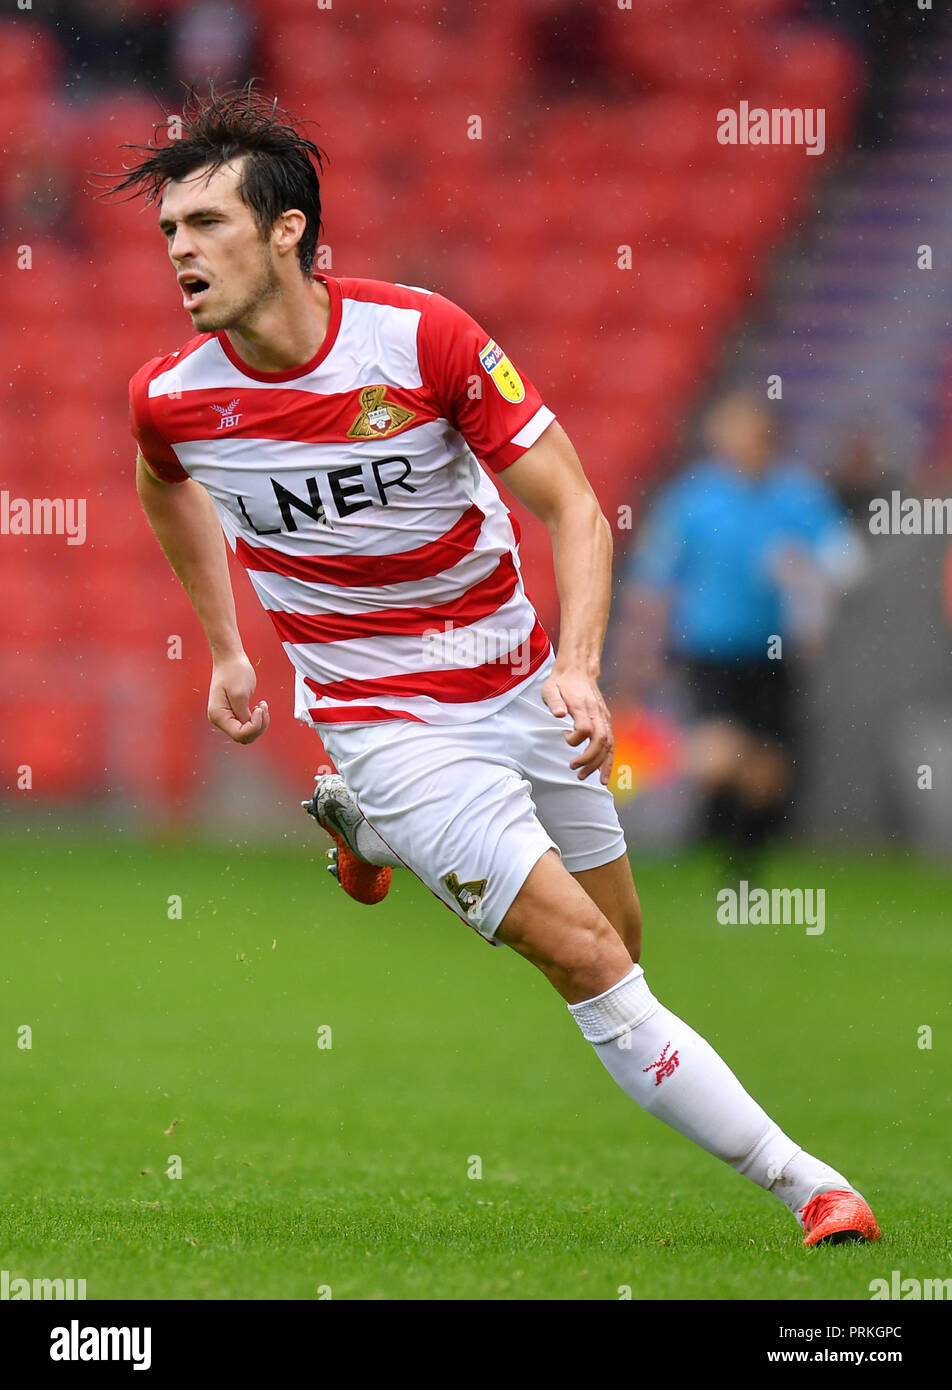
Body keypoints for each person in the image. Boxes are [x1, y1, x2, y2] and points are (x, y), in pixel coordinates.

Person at [113, 83, 880, 1248]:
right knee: (580, 958)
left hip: (520, 681)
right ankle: (808, 1183)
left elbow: (573, 502)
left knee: (622, 942)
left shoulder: (421, 340)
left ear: (287, 232)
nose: (181, 250)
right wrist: (226, 647)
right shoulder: (173, 399)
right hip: (382, 721)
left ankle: (368, 832)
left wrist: (579, 669)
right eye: (170, 230)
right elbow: (161, 486)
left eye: (206, 222)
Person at [620, 391, 852, 874]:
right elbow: (654, 578)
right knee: (720, 751)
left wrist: (805, 573)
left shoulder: (797, 496)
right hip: (708, 650)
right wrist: (640, 649)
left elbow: (845, 566)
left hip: (772, 653)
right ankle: (659, 774)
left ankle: (741, 867)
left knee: (770, 768)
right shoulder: (694, 498)